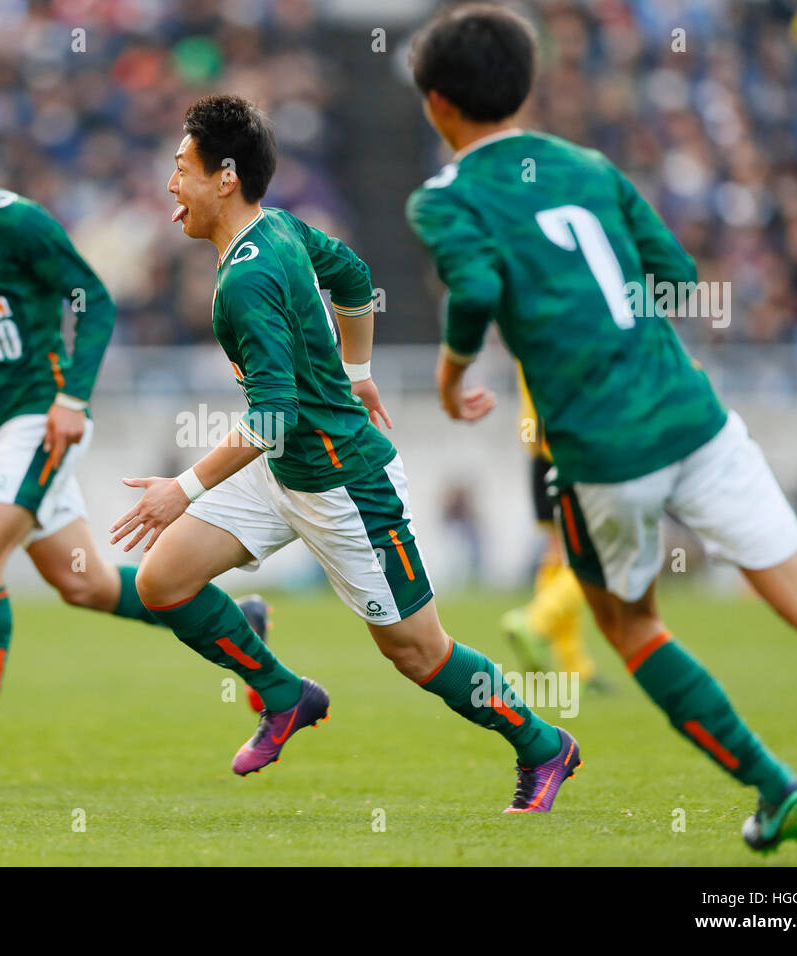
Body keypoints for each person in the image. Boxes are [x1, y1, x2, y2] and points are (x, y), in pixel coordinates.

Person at [405, 3, 797, 850]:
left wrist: (450, 379)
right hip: (696, 417)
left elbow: (474, 293)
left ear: (437, 102)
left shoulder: (446, 199)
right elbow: (678, 272)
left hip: (601, 449)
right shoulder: (588, 164)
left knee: (630, 625)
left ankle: (778, 789)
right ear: (528, 84)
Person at [111, 94, 579, 812]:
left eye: (182, 169)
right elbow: (356, 280)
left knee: (418, 653)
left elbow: (273, 415)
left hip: (343, 485)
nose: (172, 184)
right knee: (162, 580)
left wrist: (185, 486)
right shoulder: (280, 231)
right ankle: (283, 693)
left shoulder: (249, 276)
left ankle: (543, 744)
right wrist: (357, 374)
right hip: (285, 469)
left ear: (225, 177)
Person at [0, 83, 266, 782]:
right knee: (84, 584)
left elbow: (92, 298)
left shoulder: (18, 224)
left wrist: (71, 396)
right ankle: (238, 626)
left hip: (45, 419)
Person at [499, 367, 602, 689]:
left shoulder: (524, 318)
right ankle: (535, 622)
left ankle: (574, 670)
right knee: (601, 555)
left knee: (559, 551)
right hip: (572, 445)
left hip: (541, 448)